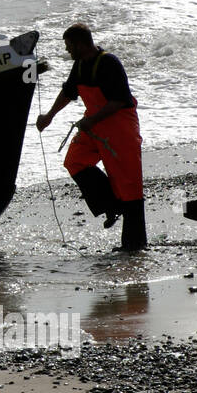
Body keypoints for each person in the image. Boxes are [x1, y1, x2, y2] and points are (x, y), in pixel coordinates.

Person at [35, 24, 146, 250]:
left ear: (81, 44)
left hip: (120, 128)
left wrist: (92, 120)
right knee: (74, 161)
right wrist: (49, 116)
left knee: (129, 186)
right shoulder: (80, 65)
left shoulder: (109, 63)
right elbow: (69, 92)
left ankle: (134, 246)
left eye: (69, 46)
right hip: (94, 125)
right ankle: (112, 204)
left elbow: (119, 100)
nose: (67, 51)